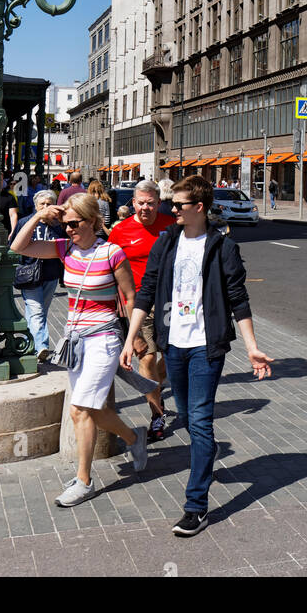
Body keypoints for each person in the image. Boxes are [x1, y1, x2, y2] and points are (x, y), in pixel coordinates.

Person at [122, 174, 272, 537]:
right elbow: (147, 291)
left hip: (207, 346)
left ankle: (196, 506)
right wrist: (130, 337)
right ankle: (207, 453)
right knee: (188, 417)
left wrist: (252, 347)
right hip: (173, 343)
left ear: (199, 208)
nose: (171, 209)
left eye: (179, 205)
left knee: (201, 422)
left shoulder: (222, 247)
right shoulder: (167, 242)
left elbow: (238, 299)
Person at [10, 191, 148, 505]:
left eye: (75, 223)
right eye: (66, 223)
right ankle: (133, 438)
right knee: (94, 409)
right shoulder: (64, 249)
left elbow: (129, 298)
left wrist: (132, 339)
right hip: (75, 341)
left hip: (105, 339)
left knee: (79, 409)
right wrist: (39, 217)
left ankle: (83, 480)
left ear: (93, 222)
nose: (69, 229)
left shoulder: (112, 253)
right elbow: (17, 247)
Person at [109, 181, 176, 441]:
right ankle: (157, 415)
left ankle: (158, 387)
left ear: (159, 203)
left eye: (150, 203)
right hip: (139, 305)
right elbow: (111, 274)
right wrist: (123, 319)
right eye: (140, 202)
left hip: (171, 302)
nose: (145, 207)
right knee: (146, 358)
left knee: (172, 358)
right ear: (133, 203)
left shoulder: (171, 226)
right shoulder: (121, 231)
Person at [10, 187, 64, 362]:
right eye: (43, 204)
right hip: (29, 274)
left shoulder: (59, 225)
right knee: (37, 311)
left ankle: (28, 341)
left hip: (51, 274)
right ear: (35, 206)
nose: (46, 207)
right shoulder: (25, 222)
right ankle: (41, 347)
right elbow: (15, 245)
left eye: (50, 204)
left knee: (39, 312)